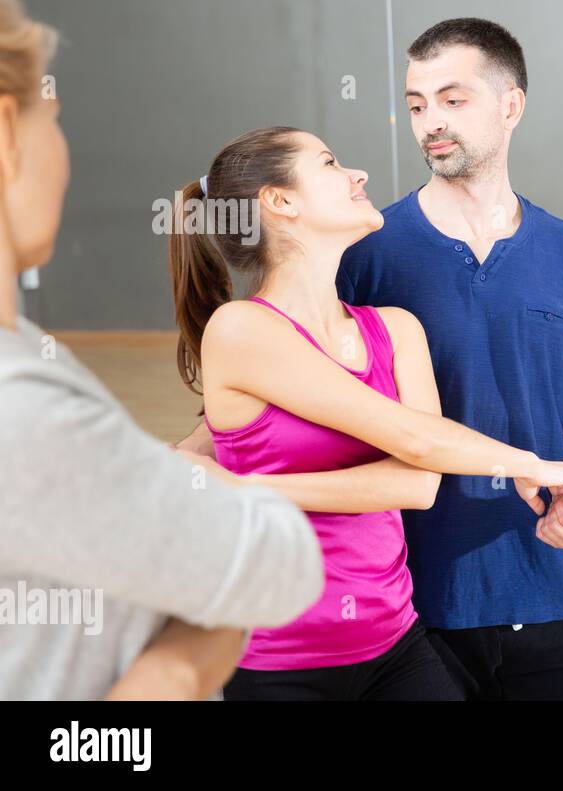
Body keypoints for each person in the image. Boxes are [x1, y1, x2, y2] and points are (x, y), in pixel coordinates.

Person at [168, 126, 563, 700]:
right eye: (331, 163)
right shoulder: (241, 329)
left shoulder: (395, 329)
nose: (358, 174)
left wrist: (247, 488)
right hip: (277, 658)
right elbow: (410, 436)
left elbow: (418, 480)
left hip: (393, 644)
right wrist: (530, 463)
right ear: (280, 202)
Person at [0, 0, 325, 701]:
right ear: (5, 134)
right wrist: (183, 660)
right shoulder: (22, 412)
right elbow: (278, 561)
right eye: (52, 122)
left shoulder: (29, 366)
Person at [334, 18, 563, 700]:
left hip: (556, 592)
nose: (429, 123)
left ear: (510, 106)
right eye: (417, 104)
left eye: (453, 100)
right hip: (413, 616)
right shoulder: (367, 254)